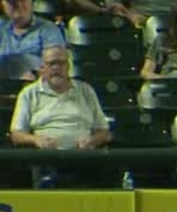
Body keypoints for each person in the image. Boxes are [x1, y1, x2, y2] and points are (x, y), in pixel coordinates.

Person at [7, 45, 110, 188]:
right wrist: (36, 139)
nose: (56, 68)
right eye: (51, 64)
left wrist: (92, 141)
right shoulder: (29, 93)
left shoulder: (85, 90)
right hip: (46, 157)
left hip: (83, 156)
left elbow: (104, 132)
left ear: (68, 66)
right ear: (43, 68)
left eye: (60, 63)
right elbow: (16, 135)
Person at [1, 0, 64, 81]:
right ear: (4, 5)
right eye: (12, 1)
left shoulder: (49, 30)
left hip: (37, 88)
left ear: (31, 2)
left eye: (23, 0)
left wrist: (34, 73)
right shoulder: (1, 28)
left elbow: (56, 66)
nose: (19, 5)